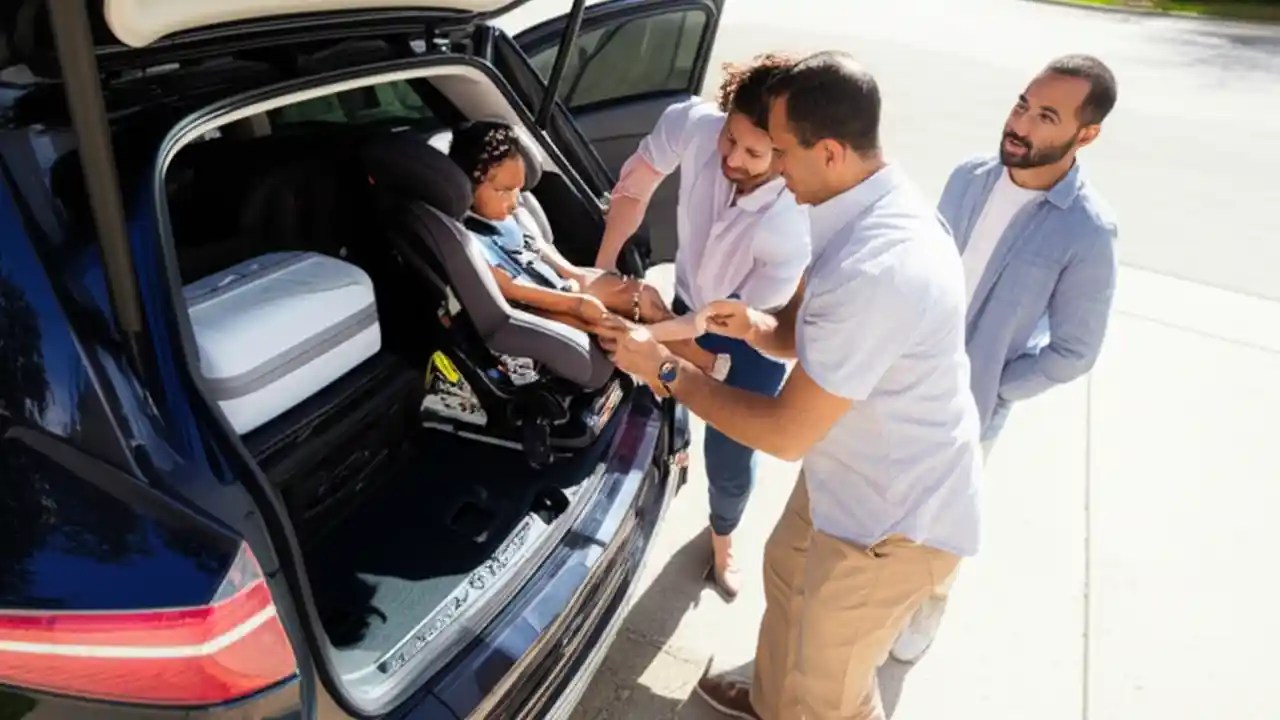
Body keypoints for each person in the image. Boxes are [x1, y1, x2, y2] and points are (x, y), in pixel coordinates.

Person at [596, 51, 982, 720]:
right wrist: (755, 326)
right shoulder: (854, 202)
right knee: (786, 571)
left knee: (826, 689)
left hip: (891, 518)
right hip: (846, 471)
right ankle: (770, 696)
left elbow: (784, 432)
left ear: (828, 151)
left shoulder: (880, 266)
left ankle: (795, 704)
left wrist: (663, 368)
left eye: (780, 151)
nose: (769, 166)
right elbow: (801, 328)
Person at [890, 54, 1119, 664]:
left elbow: (1075, 352)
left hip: (973, 407)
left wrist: (996, 385)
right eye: (1022, 104)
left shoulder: (1088, 233)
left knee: (941, 521)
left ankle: (929, 601)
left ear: (1085, 134)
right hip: (903, 379)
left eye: (1047, 116)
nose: (1020, 123)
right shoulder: (969, 176)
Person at [594, 53, 811, 599]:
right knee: (660, 403)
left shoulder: (791, 221)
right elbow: (635, 185)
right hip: (686, 300)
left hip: (752, 332)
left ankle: (723, 533)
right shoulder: (693, 124)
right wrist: (601, 270)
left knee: (733, 452)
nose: (732, 158)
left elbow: (729, 325)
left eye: (753, 152)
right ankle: (673, 453)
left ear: (786, 155)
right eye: (730, 139)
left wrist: (645, 333)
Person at [447, 120, 674, 333]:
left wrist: (604, 284)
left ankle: (703, 349)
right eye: (503, 191)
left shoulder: (517, 215)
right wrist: (576, 303)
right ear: (467, 185)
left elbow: (558, 264)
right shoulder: (469, 241)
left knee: (646, 298)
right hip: (539, 310)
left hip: (563, 289)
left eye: (518, 189)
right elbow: (512, 290)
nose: (514, 202)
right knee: (618, 329)